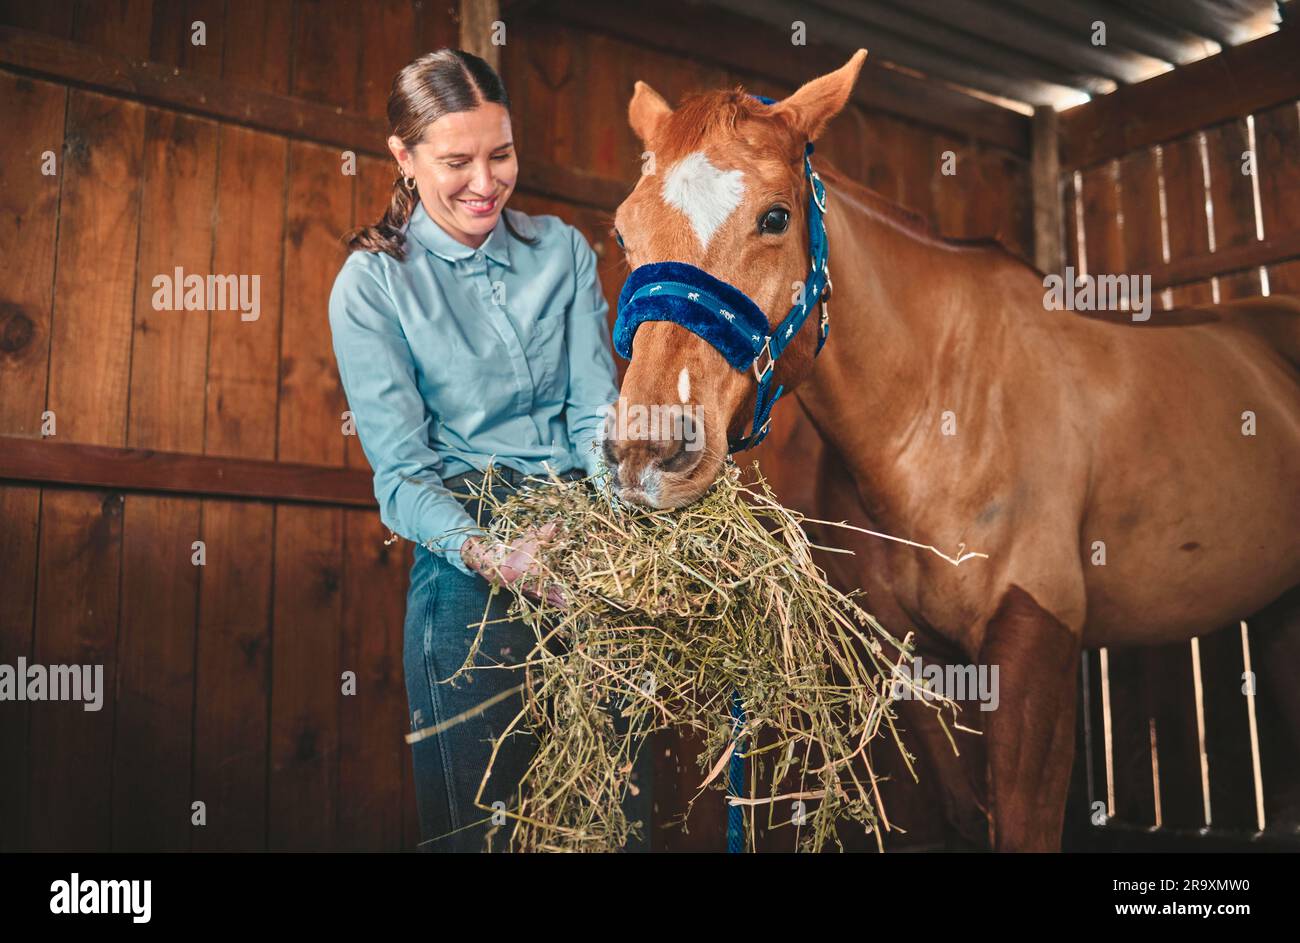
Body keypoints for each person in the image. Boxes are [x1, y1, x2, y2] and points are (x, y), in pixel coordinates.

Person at [328, 49, 649, 851]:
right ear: (403, 158)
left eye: (500, 154)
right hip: (471, 560)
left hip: (583, 541)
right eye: (456, 161)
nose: (485, 182)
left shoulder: (562, 252)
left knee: (620, 820)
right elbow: (402, 477)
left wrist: (624, 531)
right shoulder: (373, 285)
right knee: (486, 833)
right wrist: (492, 552)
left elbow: (592, 416)